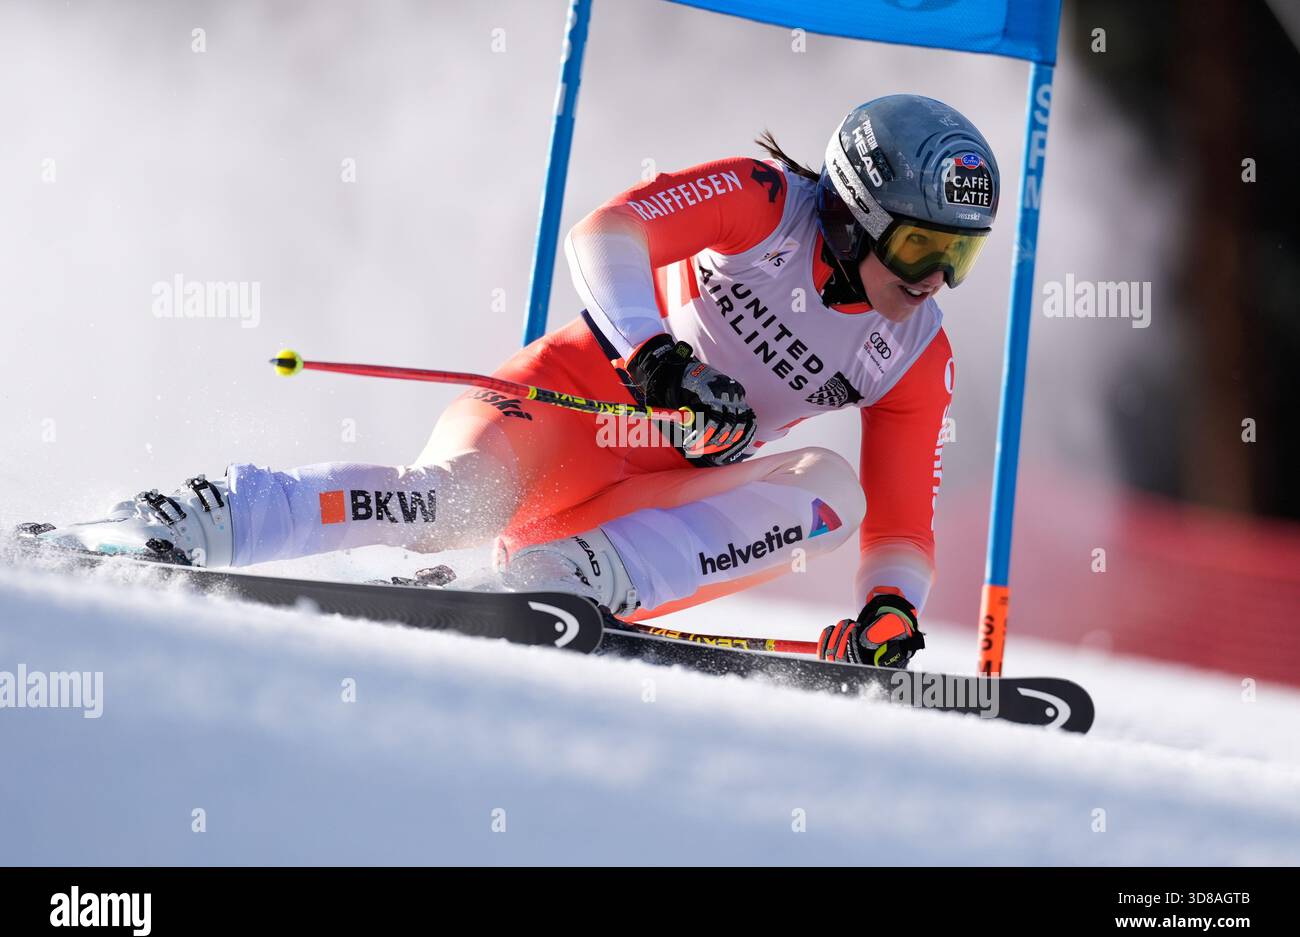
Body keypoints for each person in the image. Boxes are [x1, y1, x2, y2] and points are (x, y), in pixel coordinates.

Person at [26, 94, 1000, 669]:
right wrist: (656, 356)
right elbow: (607, 232)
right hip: (572, 410)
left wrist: (890, 607)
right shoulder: (762, 202)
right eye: (917, 245)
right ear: (849, 210)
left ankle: (557, 582)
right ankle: (183, 519)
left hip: (650, 499)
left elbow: (904, 514)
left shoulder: (913, 346)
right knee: (445, 503)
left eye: (955, 259)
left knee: (831, 484)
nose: (928, 282)